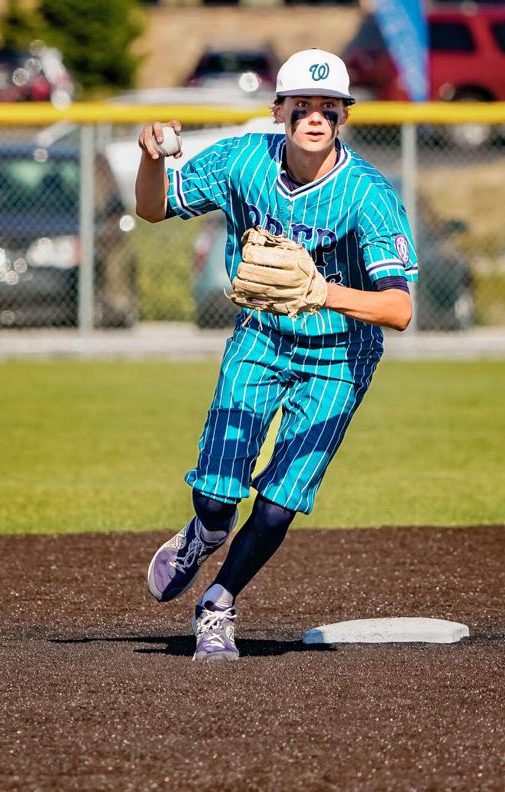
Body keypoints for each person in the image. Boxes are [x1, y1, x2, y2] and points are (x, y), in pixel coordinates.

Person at [136, 49, 417, 662]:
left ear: (342, 116)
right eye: (303, 106)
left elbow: (398, 310)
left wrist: (322, 292)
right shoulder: (245, 160)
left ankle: (218, 603)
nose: (315, 117)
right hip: (260, 338)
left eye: (328, 108)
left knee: (281, 503)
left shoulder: (368, 194)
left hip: (339, 356)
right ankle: (204, 533)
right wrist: (149, 158)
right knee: (215, 494)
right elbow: (153, 208)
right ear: (280, 110)